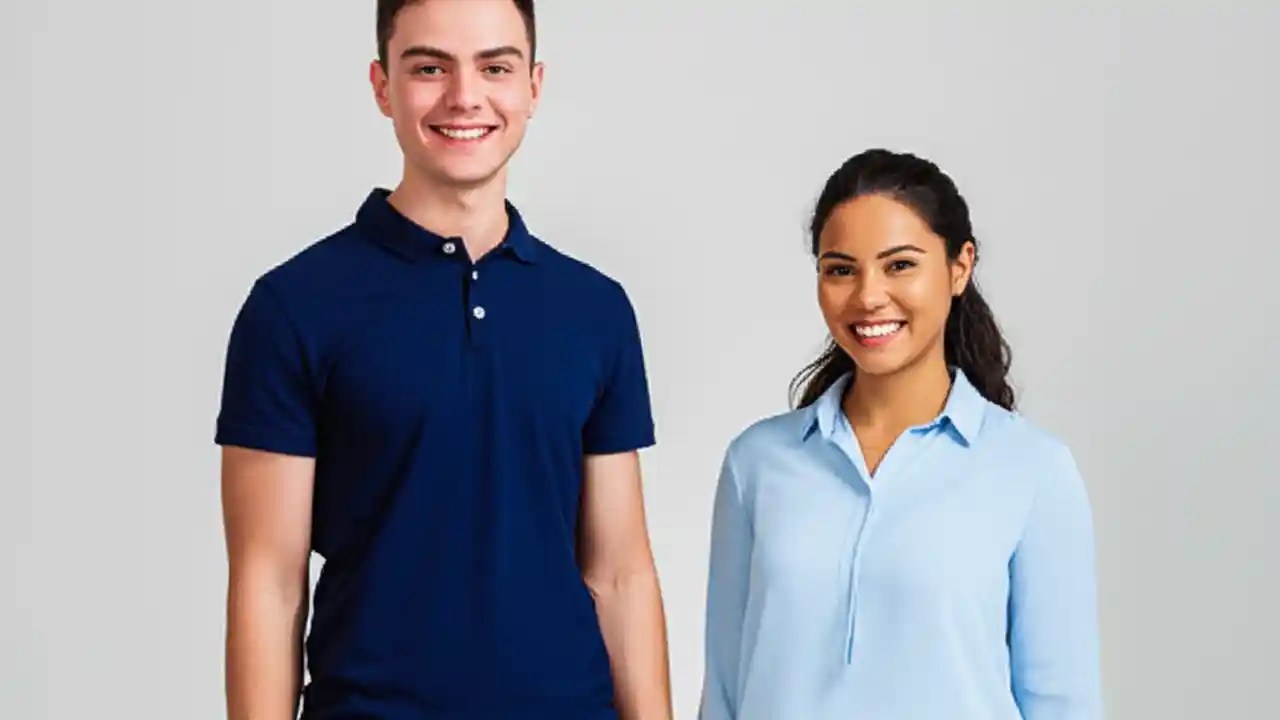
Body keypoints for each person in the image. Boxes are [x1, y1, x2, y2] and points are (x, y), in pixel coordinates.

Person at [215, 1, 673, 718]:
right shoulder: (293, 306)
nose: (465, 97)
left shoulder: (596, 310)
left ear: (533, 86)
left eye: (495, 68)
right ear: (382, 86)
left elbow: (620, 573)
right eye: (430, 68)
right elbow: (267, 582)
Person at [698, 148, 1103, 719]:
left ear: (960, 266)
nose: (868, 296)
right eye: (841, 269)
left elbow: (1063, 704)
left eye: (900, 265)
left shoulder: (1033, 470)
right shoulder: (758, 463)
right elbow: (723, 691)